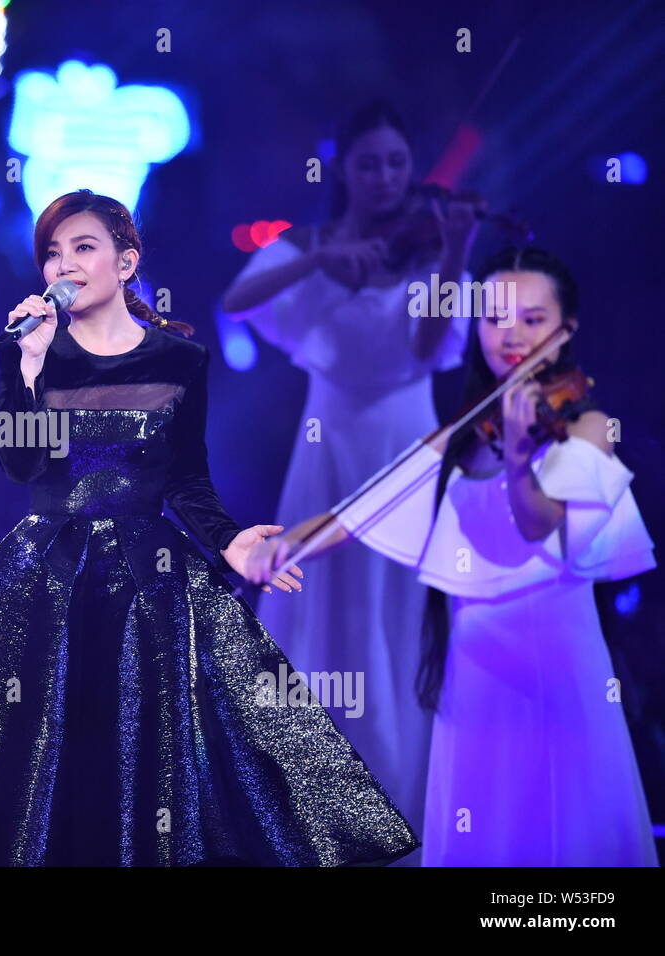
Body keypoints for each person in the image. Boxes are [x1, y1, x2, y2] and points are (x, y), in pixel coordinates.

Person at [0, 189, 420, 866]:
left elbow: (186, 478)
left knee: (167, 754)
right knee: (36, 769)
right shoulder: (32, 352)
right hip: (43, 578)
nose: (64, 264)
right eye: (52, 253)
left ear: (126, 261)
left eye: (83, 248)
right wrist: (26, 365)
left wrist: (229, 540)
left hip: (146, 579)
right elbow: (20, 464)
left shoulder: (180, 360)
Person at [245, 247, 658, 866]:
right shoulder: (464, 432)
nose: (511, 335)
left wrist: (520, 462)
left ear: (566, 330)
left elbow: (539, 523)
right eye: (495, 319)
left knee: (563, 831)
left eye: (533, 320)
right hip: (474, 668)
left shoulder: (588, 425)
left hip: (556, 661)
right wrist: (284, 544)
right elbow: (364, 508)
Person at [220, 100, 481, 846]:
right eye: (369, 163)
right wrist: (316, 260)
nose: (386, 178)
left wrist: (457, 252)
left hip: (407, 443)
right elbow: (236, 301)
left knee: (403, 607)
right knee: (325, 603)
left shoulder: (430, 245)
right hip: (328, 444)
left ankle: (413, 803)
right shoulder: (310, 244)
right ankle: (318, 810)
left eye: (398, 163)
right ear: (344, 169)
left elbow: (433, 348)